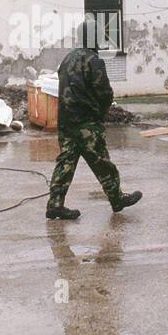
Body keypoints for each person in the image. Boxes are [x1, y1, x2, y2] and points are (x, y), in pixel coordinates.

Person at [46, 44, 141, 220]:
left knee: (65, 163)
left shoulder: (67, 59)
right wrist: (101, 113)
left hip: (66, 120)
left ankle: (55, 205)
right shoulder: (93, 60)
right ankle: (117, 199)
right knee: (101, 162)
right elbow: (104, 92)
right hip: (86, 122)